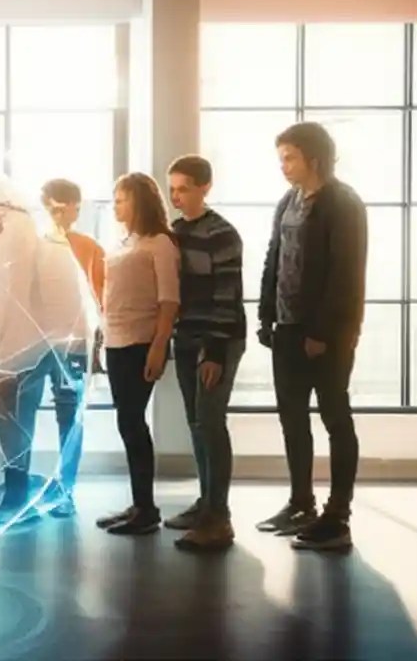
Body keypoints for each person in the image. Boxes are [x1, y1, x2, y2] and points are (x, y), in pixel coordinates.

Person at [0, 177, 94, 528]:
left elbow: (6, 300)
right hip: (26, 345)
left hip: (52, 343)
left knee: (30, 417)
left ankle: (30, 495)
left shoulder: (23, 235)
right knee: (7, 416)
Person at [256, 122, 367, 552]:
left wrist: (322, 331)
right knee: (292, 418)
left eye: (290, 158)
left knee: (335, 417)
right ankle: (301, 503)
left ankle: (338, 517)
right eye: (281, 158)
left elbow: (346, 272)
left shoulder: (343, 203)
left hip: (326, 334)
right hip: (287, 330)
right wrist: (266, 315)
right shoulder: (289, 200)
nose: (283, 166)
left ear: (314, 158)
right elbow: (274, 258)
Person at [166, 155, 246, 551]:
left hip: (218, 340)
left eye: (183, 188)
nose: (176, 196)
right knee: (197, 423)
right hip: (185, 338)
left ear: (204, 187)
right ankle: (206, 503)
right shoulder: (175, 232)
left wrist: (214, 351)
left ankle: (220, 517)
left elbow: (227, 296)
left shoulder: (222, 234)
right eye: (172, 189)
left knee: (212, 423)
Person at [96, 172, 180, 536]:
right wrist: (102, 337)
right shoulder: (123, 242)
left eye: (122, 199)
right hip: (116, 340)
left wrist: (159, 346)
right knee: (126, 422)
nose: (116, 205)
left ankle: (146, 509)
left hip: (141, 342)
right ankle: (139, 504)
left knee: (132, 421)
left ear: (140, 201)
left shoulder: (160, 243)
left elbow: (169, 299)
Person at [34, 178, 107, 519]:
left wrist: (99, 345)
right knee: (25, 414)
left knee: (70, 417)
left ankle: (66, 487)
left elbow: (102, 300)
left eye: (67, 207)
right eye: (53, 207)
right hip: (37, 343)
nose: (60, 214)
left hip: (73, 344)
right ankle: (32, 486)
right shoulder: (34, 247)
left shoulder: (88, 247)